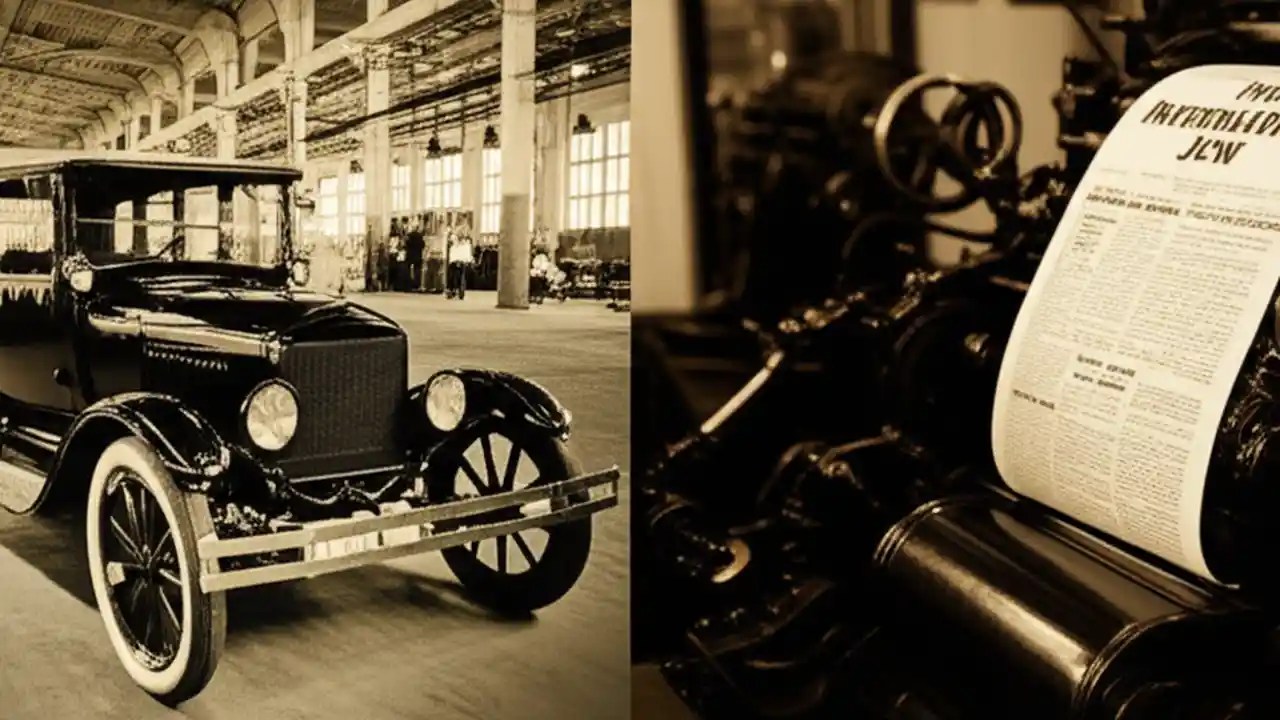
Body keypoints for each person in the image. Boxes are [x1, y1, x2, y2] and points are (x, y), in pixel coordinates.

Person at [446, 222, 474, 300]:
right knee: (461, 276)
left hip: (455, 259)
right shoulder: (466, 241)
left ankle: (452, 290)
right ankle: (460, 291)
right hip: (462, 259)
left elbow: (451, 241)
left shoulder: (455, 238)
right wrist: (469, 259)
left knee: (453, 275)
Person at [404, 218, 426, 292]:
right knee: (417, 271)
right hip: (418, 255)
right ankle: (417, 285)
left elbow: (406, 244)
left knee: (408, 271)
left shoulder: (409, 235)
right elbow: (423, 245)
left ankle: (408, 286)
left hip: (410, 255)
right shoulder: (420, 236)